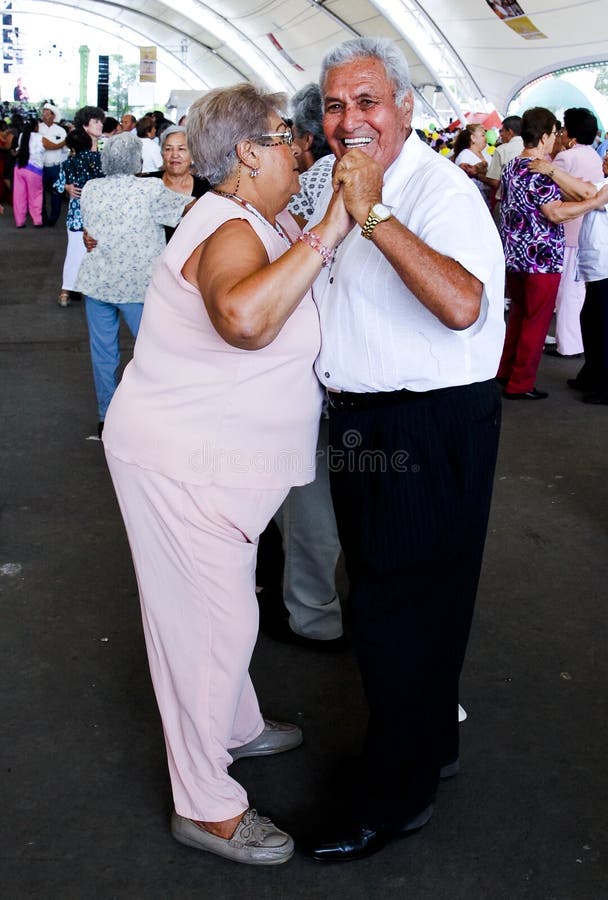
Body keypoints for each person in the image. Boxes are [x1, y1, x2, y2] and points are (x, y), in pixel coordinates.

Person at [101, 84, 350, 865]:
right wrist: (337, 224)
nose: (300, 146)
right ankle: (205, 804)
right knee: (208, 631)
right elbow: (243, 319)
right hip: (184, 467)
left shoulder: (259, 220)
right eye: (284, 135)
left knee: (217, 614)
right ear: (246, 154)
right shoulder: (230, 229)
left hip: (211, 468)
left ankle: (236, 727)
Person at [303, 36, 505, 863]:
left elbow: (463, 306)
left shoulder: (435, 190)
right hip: (364, 423)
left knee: (399, 611)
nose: (350, 121)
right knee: (397, 597)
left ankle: (395, 798)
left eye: (367, 102)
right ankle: (427, 746)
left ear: (407, 108)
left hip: (424, 427)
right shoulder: (338, 179)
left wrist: (375, 212)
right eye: (335, 106)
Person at [76, 131, 194, 437]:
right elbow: (189, 211)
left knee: (103, 353)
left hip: (97, 282)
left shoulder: (90, 188)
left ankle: (107, 417)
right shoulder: (150, 190)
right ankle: (154, 416)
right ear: (138, 160)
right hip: (137, 287)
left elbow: (88, 229)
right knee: (152, 351)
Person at [497, 107, 605, 399]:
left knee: (518, 317)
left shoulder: (512, 166)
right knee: (536, 321)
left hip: (515, 255)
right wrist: (592, 203)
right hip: (541, 257)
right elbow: (554, 214)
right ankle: (521, 383)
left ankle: (505, 371)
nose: (558, 139)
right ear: (544, 136)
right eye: (555, 133)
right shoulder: (539, 170)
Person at [529, 159, 608, 403]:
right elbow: (580, 190)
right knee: (591, 319)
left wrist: (551, 170)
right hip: (596, 265)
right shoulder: (602, 183)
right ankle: (592, 374)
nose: (605, 159)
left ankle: (604, 386)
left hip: (605, 265)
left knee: (602, 326)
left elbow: (586, 192)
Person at [542, 108, 603, 358]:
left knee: (566, 291)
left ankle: (567, 344)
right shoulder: (593, 156)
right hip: (587, 230)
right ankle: (573, 342)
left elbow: (549, 190)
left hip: (566, 230)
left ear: (570, 133)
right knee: (577, 291)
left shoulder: (566, 159)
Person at [53, 128, 104, 307]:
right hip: (98, 214)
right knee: (98, 253)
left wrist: (68, 187)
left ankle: (65, 293)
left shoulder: (68, 163)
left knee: (74, 254)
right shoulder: (99, 160)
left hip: (76, 214)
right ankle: (98, 291)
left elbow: (58, 186)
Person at [141, 124, 209, 241]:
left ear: (192, 155)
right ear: (162, 154)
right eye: (168, 149)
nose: (174, 155)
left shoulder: (205, 189)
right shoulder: (146, 183)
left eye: (181, 149)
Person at [485, 115, 523, 226]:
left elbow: (494, 182)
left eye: (502, 131)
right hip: (525, 207)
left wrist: (477, 174)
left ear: (510, 132)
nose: (500, 134)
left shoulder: (503, 149)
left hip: (505, 205)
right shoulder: (530, 147)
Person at [452, 123, 494, 208]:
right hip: (473, 203)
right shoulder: (464, 156)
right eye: (482, 135)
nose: (486, 138)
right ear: (473, 138)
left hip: (487, 202)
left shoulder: (485, 154)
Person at [39, 103, 67, 226]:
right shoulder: (38, 128)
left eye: (47, 113)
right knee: (41, 195)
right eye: (43, 113)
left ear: (53, 115)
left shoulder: (60, 130)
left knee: (57, 194)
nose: (44, 115)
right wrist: (54, 145)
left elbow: (65, 149)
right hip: (41, 167)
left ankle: (53, 219)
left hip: (56, 166)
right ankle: (43, 217)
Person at [12, 118, 44, 228]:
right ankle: (37, 220)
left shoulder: (22, 135)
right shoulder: (40, 137)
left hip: (19, 168)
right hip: (34, 170)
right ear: (35, 127)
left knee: (19, 196)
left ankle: (19, 222)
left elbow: (18, 150)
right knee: (35, 196)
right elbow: (52, 146)